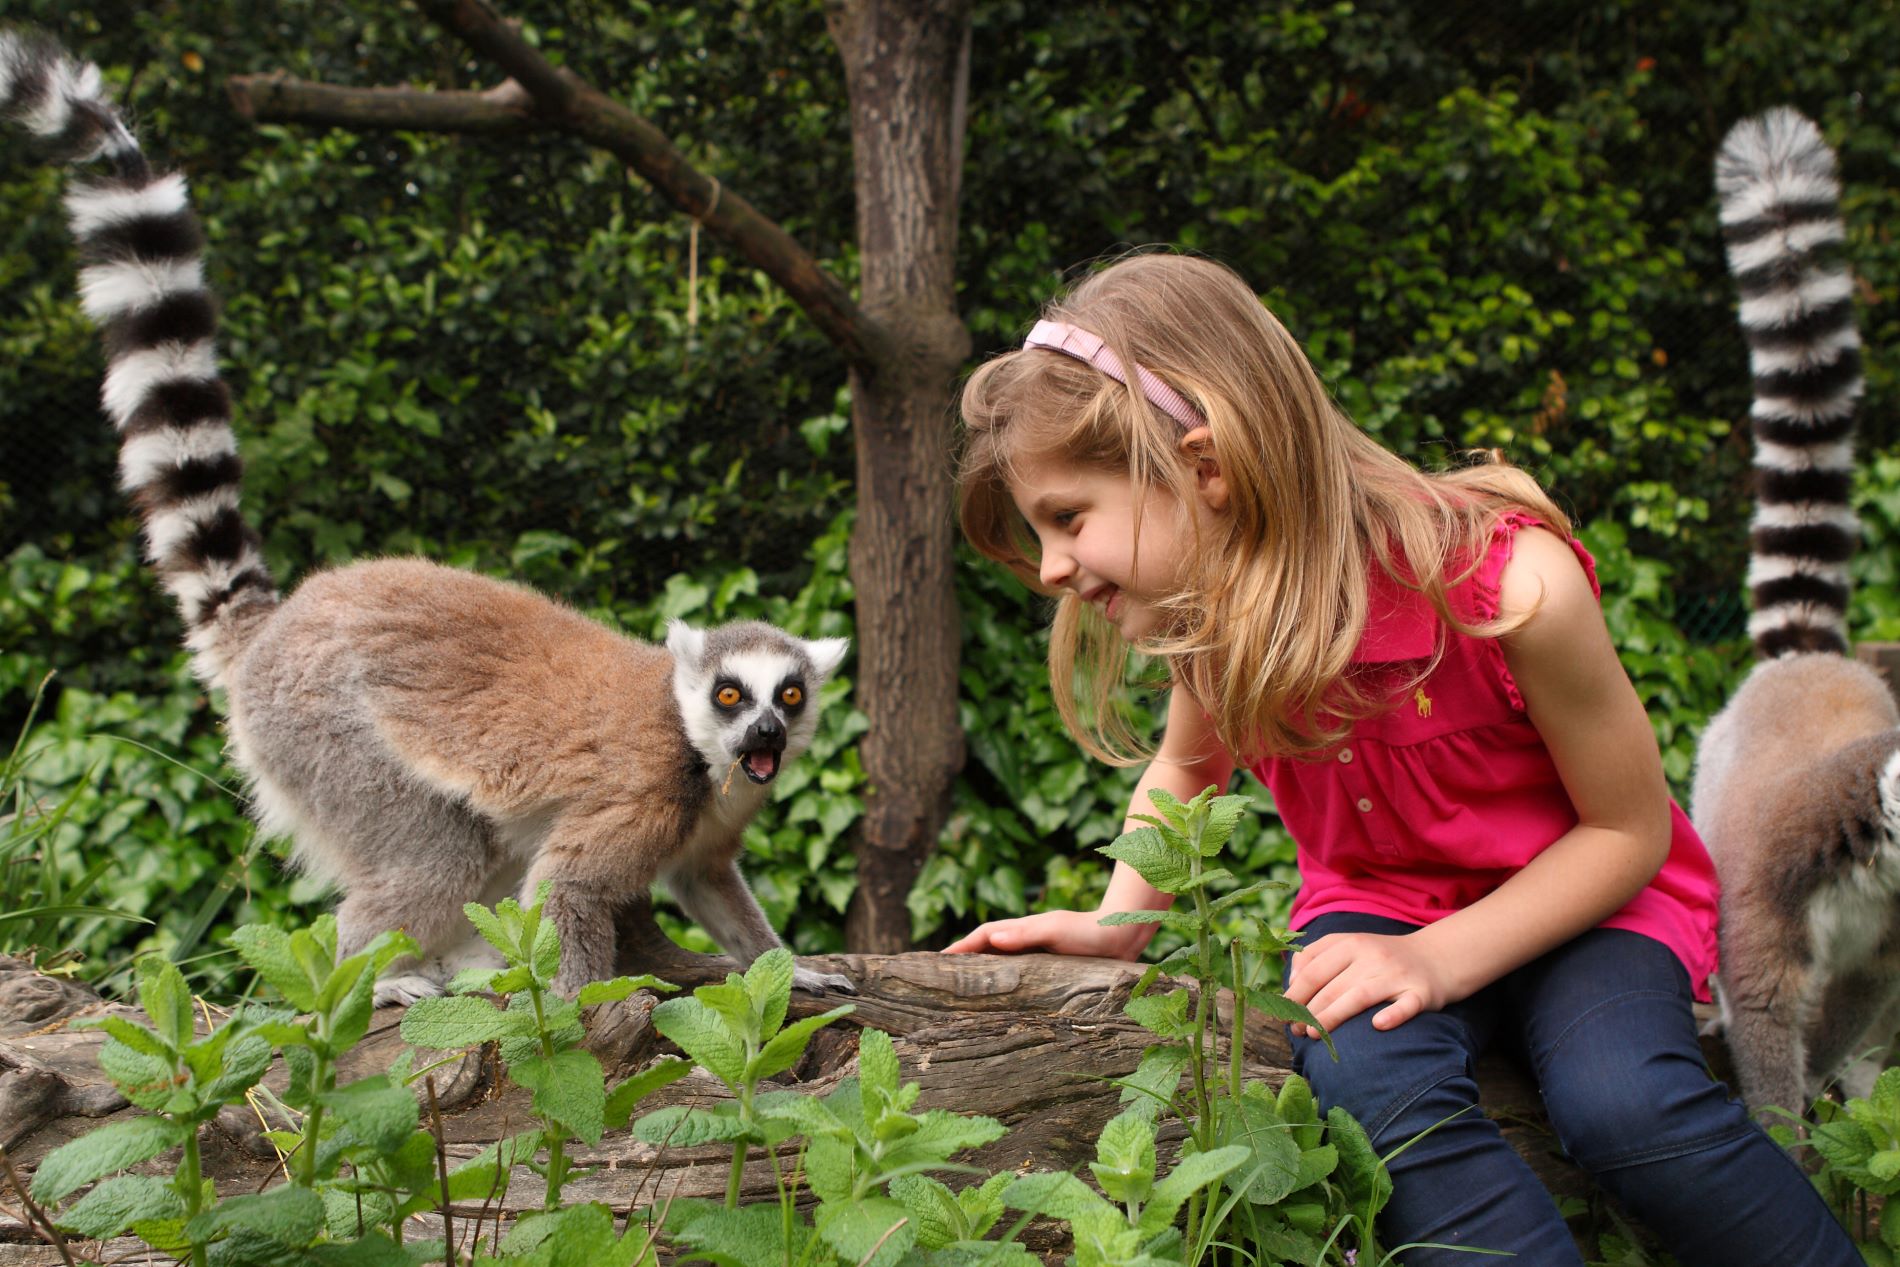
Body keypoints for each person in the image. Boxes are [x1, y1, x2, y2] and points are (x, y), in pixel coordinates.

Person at [941, 251, 1860, 1266]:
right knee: (1377, 1099)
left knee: (1624, 1103)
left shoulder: (1510, 586)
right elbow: (1187, 769)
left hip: (1585, 901)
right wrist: (1119, 923)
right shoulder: (1215, 619)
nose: (1051, 567)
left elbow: (1627, 830)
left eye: (1067, 518)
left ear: (1206, 468)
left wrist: (1437, 959)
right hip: (1376, 908)